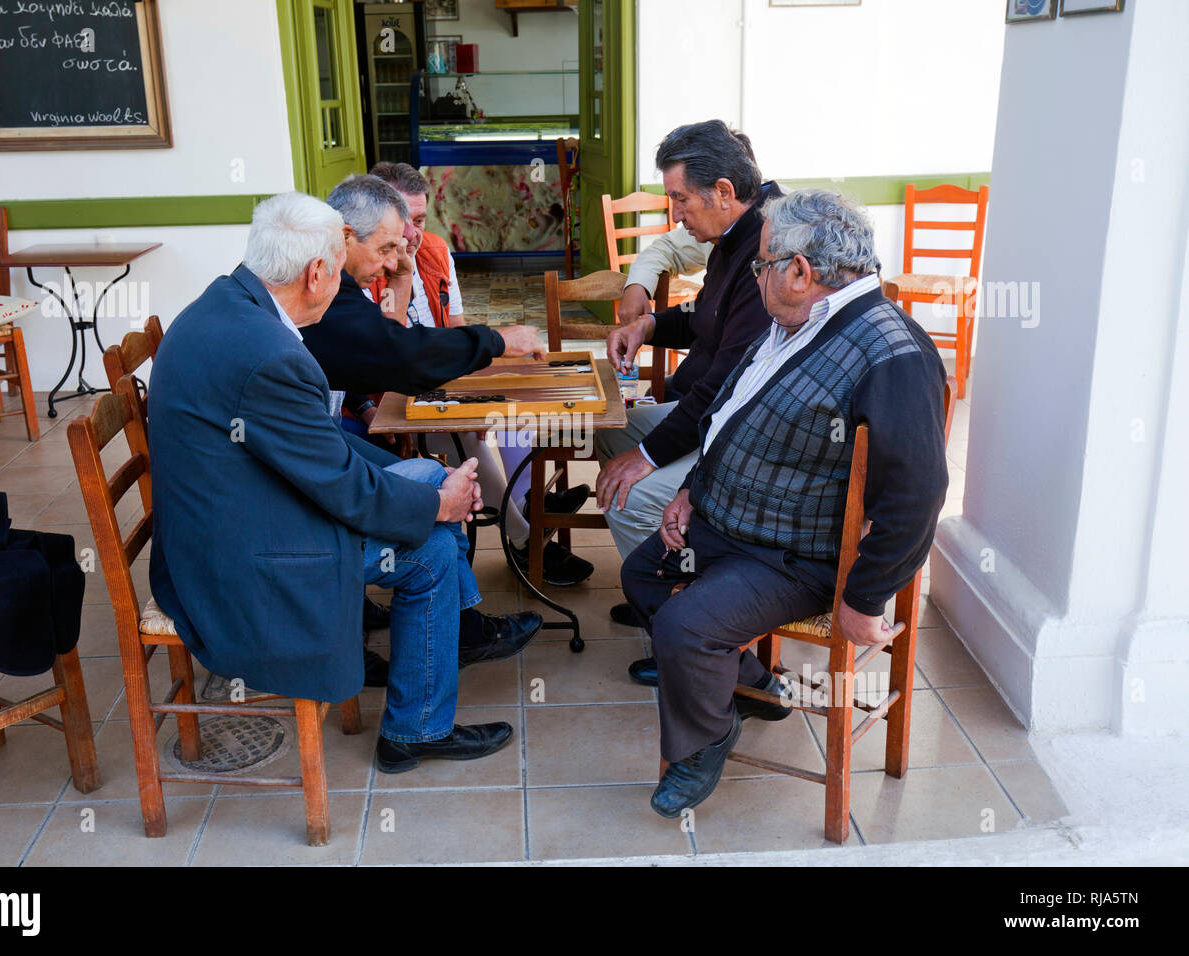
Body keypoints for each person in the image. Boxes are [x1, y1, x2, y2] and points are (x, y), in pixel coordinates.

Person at [148, 191, 538, 774]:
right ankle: (417, 732)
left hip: (227, 522)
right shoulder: (271, 354)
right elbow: (341, 486)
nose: (346, 293)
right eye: (342, 279)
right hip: (238, 563)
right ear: (316, 274)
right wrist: (436, 504)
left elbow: (322, 453)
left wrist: (432, 491)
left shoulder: (226, 303)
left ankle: (446, 643)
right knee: (430, 548)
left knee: (431, 483)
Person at [620, 189, 949, 817]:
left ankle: (706, 738)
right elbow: (729, 416)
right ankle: (742, 685)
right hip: (730, 527)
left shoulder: (892, 353)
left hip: (794, 556)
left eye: (762, 264)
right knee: (641, 577)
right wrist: (692, 491)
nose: (757, 275)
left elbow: (917, 495)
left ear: (800, 272)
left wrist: (862, 597)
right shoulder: (790, 324)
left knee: (684, 627)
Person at [303, 173, 593, 588]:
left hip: (413, 389)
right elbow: (388, 352)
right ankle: (525, 535)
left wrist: (472, 378)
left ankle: (527, 510)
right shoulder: (348, 278)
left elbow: (424, 337)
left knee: (493, 419)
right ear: (349, 234)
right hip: (371, 406)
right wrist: (491, 341)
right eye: (397, 231)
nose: (410, 235)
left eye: (419, 220)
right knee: (454, 455)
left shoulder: (421, 254)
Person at [593, 120, 782, 629]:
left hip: (741, 437)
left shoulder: (769, 251)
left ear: (723, 192)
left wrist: (648, 458)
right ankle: (654, 580)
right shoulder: (735, 233)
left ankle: (685, 620)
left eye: (679, 199)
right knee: (610, 433)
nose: (675, 214)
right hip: (713, 416)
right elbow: (704, 314)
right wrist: (648, 324)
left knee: (627, 493)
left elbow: (724, 388)